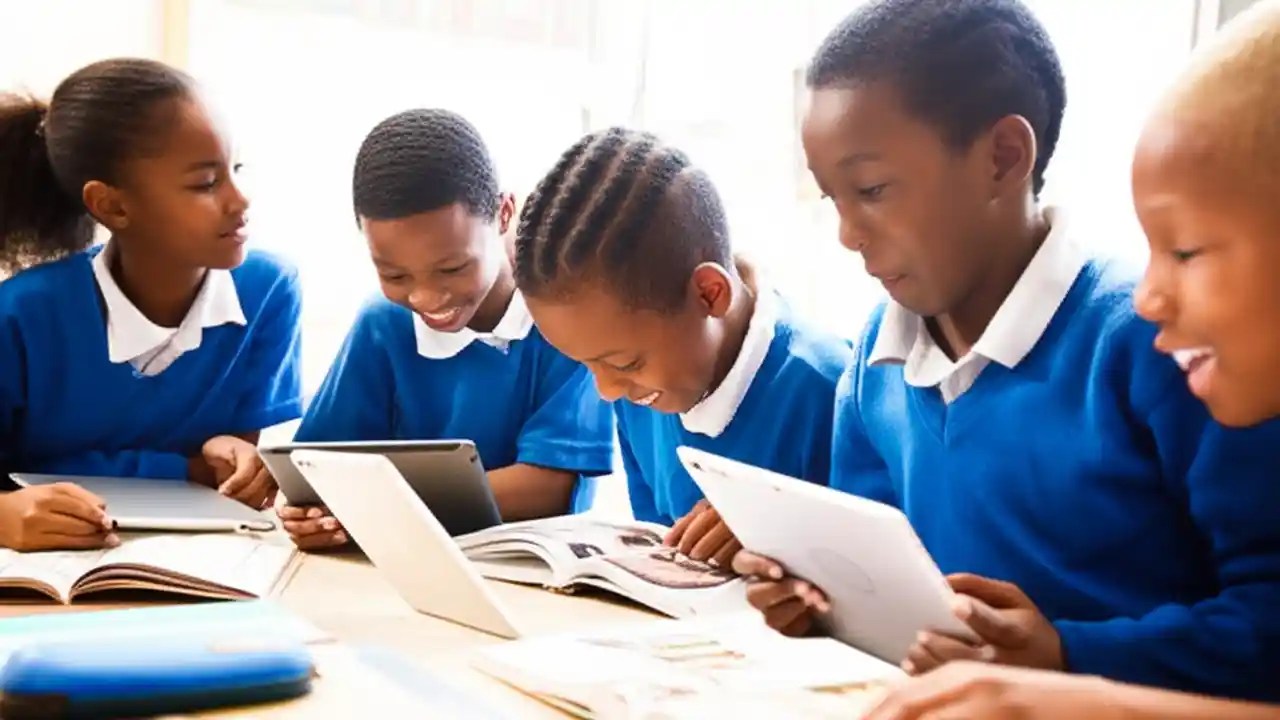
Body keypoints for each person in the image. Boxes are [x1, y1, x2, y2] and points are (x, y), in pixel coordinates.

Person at [733, 0, 1280, 702]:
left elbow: (1267, 617)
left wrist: (1068, 653)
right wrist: (822, 602)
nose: (847, 233)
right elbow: (892, 596)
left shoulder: (1183, 348)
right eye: (833, 197)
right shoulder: (875, 358)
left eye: (871, 190)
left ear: (1002, 158)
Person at [512, 127, 852, 567]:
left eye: (625, 363)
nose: (607, 391)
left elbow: (878, 577)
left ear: (710, 294)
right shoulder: (641, 393)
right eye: (586, 365)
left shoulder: (830, 389)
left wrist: (781, 534)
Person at [0, 58, 301, 551]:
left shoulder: (269, 290)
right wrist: (5, 517)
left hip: (203, 562)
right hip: (44, 566)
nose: (240, 200)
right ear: (113, 206)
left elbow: (224, 474)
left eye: (236, 170)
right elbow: (195, 474)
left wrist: (233, 461)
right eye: (206, 183)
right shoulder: (19, 315)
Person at [280, 109, 614, 550]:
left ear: (503, 213)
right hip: (398, 564)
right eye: (395, 276)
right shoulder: (383, 322)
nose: (424, 298)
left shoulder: (567, 322)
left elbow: (547, 487)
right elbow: (315, 470)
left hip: (531, 571)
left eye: (452, 268)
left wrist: (375, 504)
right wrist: (312, 516)